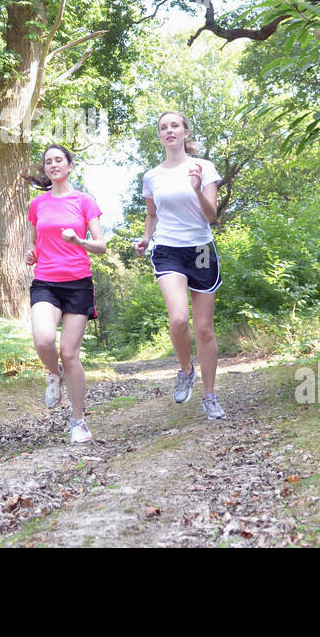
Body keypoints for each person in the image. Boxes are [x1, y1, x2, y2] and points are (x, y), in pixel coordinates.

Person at [134, 110, 226, 419]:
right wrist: (147, 238)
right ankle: (186, 369)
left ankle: (210, 395)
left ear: (185, 132)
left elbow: (211, 216)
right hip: (168, 249)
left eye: (175, 125)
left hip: (200, 249)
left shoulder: (204, 167)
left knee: (204, 329)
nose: (169, 130)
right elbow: (152, 212)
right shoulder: (152, 176)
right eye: (163, 127)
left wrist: (198, 188)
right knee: (178, 319)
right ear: (160, 135)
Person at [24, 144, 107, 444]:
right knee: (44, 339)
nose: (53, 164)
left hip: (78, 283)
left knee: (70, 354)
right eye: (48, 161)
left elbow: (101, 245)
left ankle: (78, 421)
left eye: (59, 160)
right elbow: (36, 241)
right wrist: (31, 254)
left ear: (70, 166)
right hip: (45, 281)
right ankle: (52, 373)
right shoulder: (38, 204)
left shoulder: (84, 201)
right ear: (45, 169)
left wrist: (79, 240)